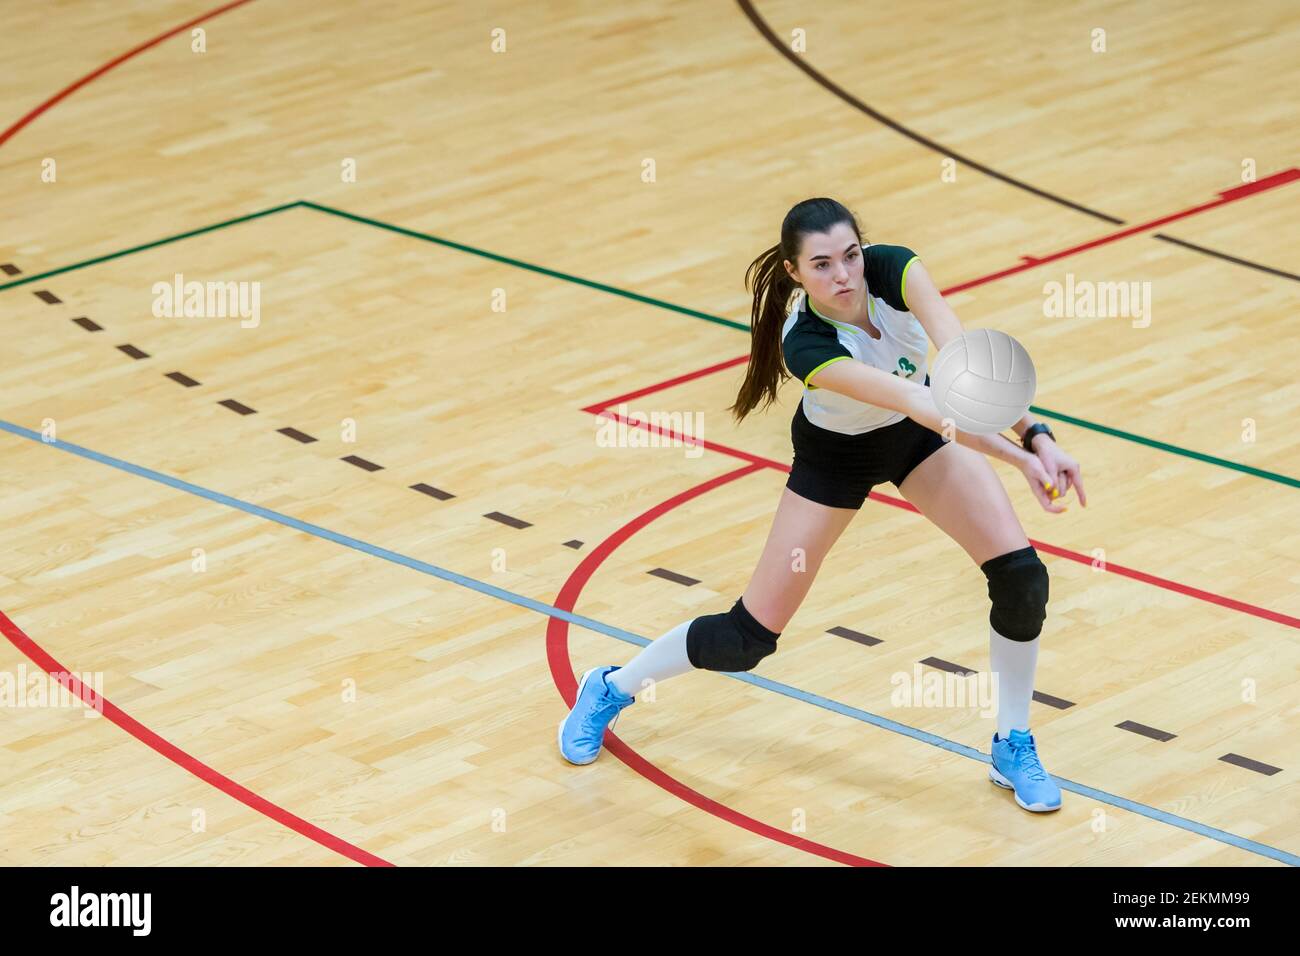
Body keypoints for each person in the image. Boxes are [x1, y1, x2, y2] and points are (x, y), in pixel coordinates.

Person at [558, 197, 1086, 813]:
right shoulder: (806, 344)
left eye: (851, 256)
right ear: (794, 272)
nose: (842, 275)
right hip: (839, 457)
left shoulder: (897, 272)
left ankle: (1012, 740)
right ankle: (610, 687)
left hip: (916, 442)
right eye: (822, 265)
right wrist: (1021, 460)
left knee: (1022, 579)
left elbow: (967, 371)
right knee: (746, 639)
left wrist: (1037, 435)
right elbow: (924, 404)